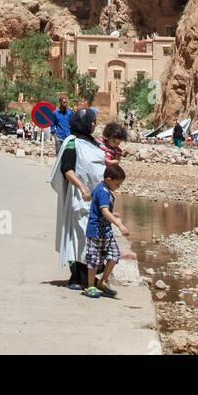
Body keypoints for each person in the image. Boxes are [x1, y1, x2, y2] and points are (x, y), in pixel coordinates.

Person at [50, 108, 105, 290]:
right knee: (80, 235)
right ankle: (78, 276)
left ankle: (86, 277)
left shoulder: (91, 143)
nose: (94, 124)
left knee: (92, 236)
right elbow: (67, 169)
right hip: (79, 199)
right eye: (92, 120)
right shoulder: (72, 143)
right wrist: (81, 187)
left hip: (94, 198)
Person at [83, 163, 129, 299]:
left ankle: (103, 280)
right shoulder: (103, 192)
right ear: (109, 180)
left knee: (114, 254)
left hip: (106, 231)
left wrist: (87, 197)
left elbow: (92, 196)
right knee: (94, 258)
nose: (118, 187)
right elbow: (104, 211)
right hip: (96, 230)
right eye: (117, 184)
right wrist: (119, 225)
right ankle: (90, 285)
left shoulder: (101, 188)